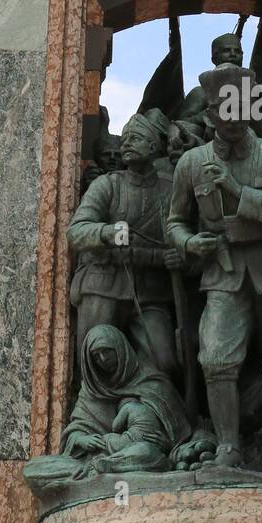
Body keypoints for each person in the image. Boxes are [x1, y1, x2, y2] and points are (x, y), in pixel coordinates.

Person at [167, 65, 262, 474]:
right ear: (209, 114)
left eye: (241, 107)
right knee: (215, 359)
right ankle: (229, 448)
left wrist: (235, 187)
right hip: (224, 270)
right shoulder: (191, 163)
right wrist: (189, 243)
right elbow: (175, 220)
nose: (232, 117)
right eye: (223, 110)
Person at [68, 112, 181, 380]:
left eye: (136, 139)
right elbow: (76, 231)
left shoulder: (170, 190)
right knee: (95, 362)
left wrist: (181, 256)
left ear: (154, 148)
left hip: (150, 291)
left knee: (164, 363)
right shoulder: (106, 185)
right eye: (125, 139)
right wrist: (107, 232)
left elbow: (181, 235)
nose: (127, 143)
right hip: (102, 284)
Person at [23, 326, 192, 492]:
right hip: (98, 454)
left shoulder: (154, 384)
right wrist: (83, 440)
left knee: (147, 452)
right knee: (33, 468)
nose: (103, 359)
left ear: (120, 348)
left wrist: (169, 442)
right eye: (96, 356)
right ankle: (96, 468)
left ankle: (102, 468)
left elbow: (180, 434)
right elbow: (76, 432)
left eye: (107, 351)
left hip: (141, 453)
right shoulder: (90, 392)